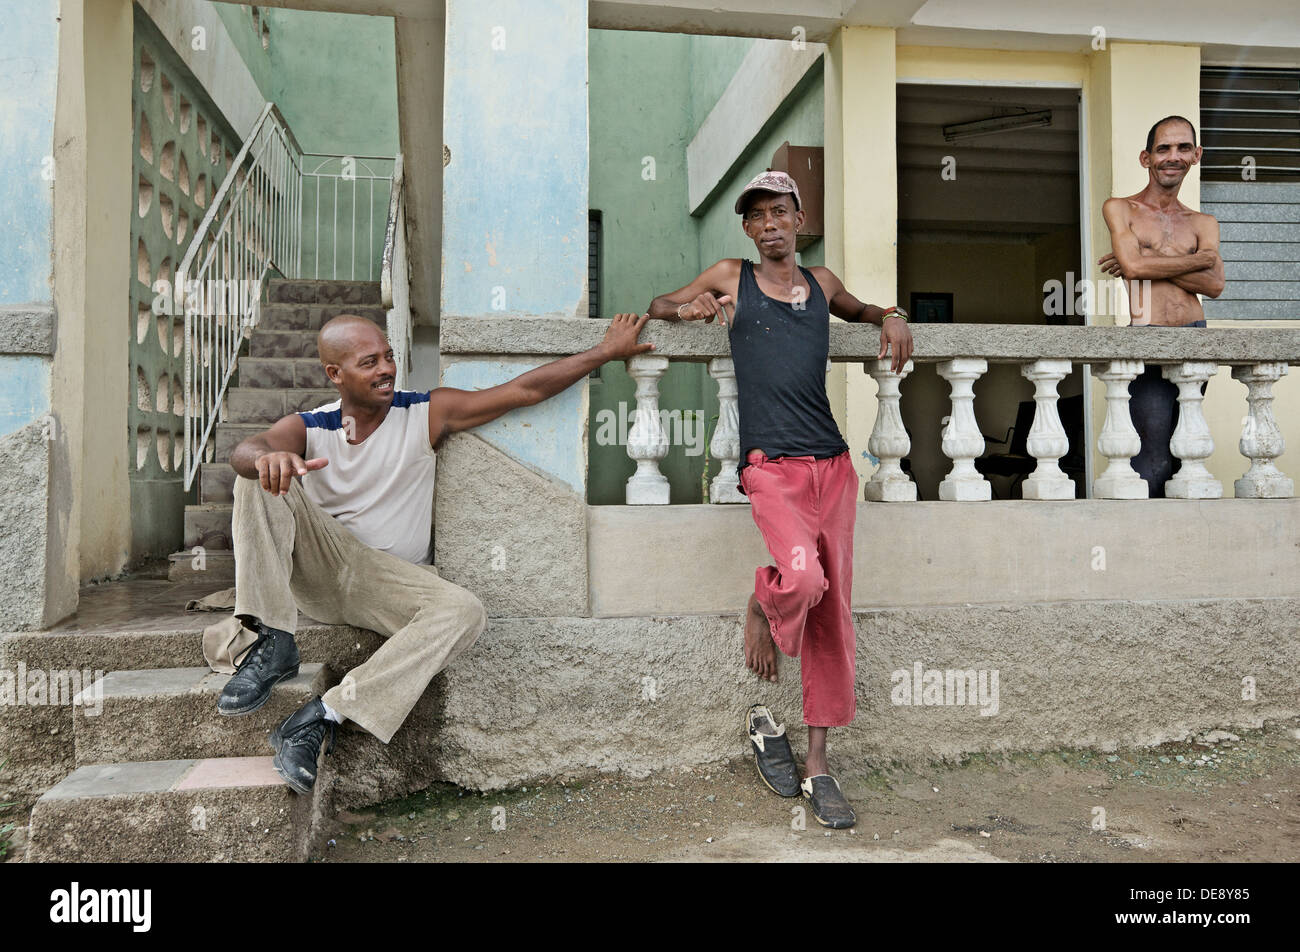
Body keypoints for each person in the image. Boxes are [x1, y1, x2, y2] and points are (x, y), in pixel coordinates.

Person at [218, 312, 654, 793]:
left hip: (385, 580)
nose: (386, 368)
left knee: (463, 611)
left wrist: (604, 353)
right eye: (369, 362)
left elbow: (522, 392)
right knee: (255, 478)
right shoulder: (309, 426)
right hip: (319, 568)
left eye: (389, 356)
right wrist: (267, 457)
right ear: (334, 374)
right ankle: (272, 640)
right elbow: (248, 449)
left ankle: (323, 715)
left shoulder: (425, 413)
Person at [645, 170, 913, 828]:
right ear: (747, 227)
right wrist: (688, 311)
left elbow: (864, 311)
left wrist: (895, 315)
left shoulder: (820, 284)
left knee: (833, 614)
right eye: (758, 215)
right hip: (770, 466)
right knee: (802, 578)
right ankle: (764, 604)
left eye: (781, 213)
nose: (770, 225)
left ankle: (819, 767)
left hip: (834, 465)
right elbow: (658, 303)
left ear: (799, 218)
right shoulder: (730, 276)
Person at [1099, 116, 1225, 496]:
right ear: (1146, 157)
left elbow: (1215, 285)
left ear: (1196, 155)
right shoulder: (1121, 208)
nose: (1174, 156)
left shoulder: (1204, 222)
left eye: (1184, 147)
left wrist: (1145, 264)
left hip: (1194, 337)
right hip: (1149, 336)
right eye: (1164, 148)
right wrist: (1195, 261)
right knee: (1151, 452)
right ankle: (1146, 540)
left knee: (1186, 446)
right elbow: (1135, 269)